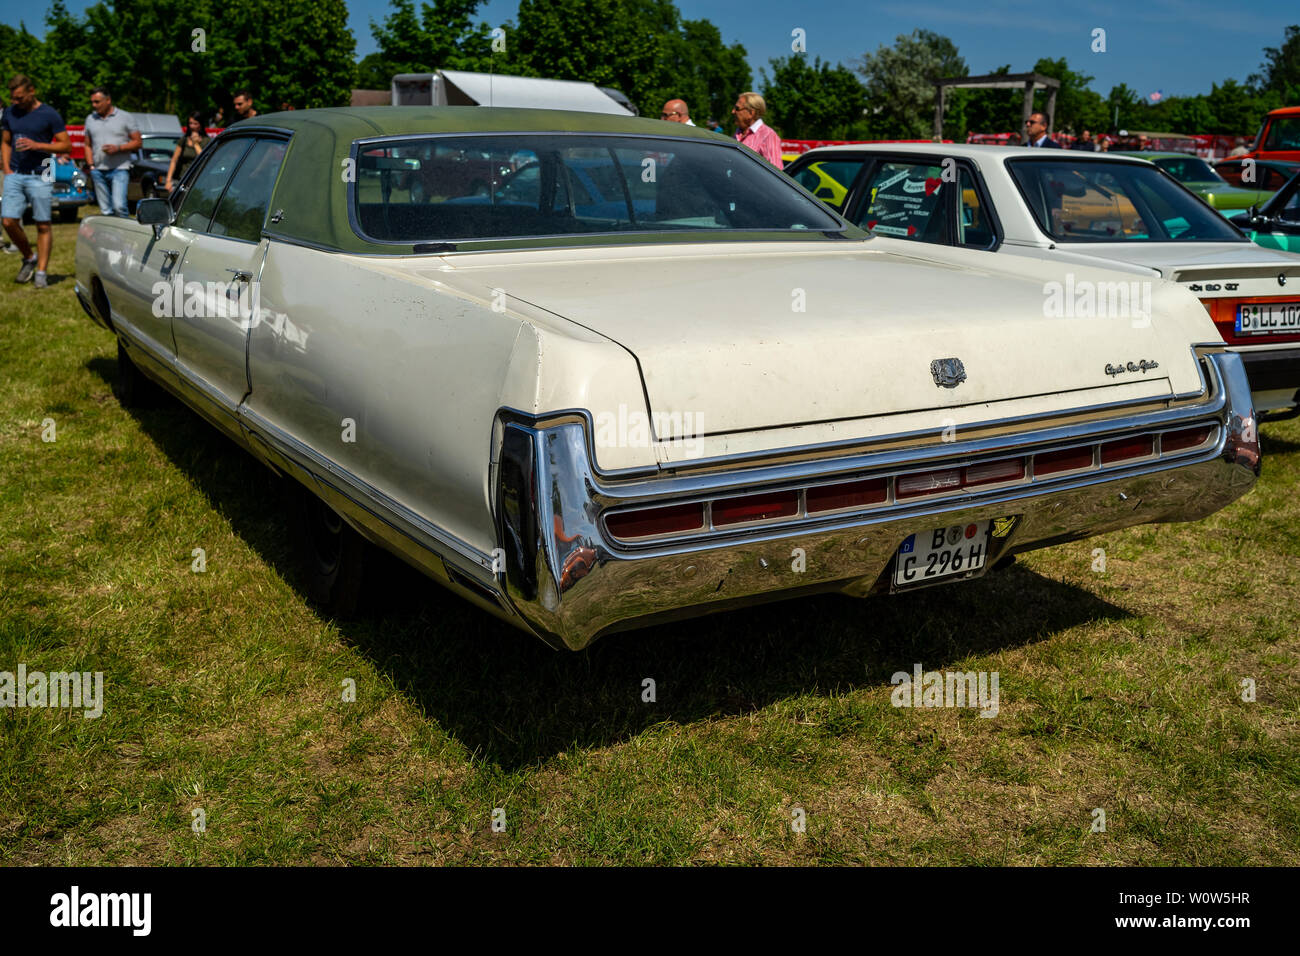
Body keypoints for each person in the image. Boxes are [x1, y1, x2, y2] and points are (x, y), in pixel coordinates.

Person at [1, 75, 71, 288]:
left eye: (19, 98)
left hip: (43, 171)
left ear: (32, 91)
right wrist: (6, 168)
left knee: (43, 223)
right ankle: (29, 257)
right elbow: (5, 141)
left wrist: (38, 146)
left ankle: (41, 273)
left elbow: (65, 145)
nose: (15, 102)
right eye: (13, 98)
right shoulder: (10, 113)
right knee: (8, 221)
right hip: (16, 172)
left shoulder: (49, 114)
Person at [84, 86, 141, 218]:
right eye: (92, 102)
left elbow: (138, 143)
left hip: (120, 168)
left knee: (119, 206)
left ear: (108, 100)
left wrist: (118, 148)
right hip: (98, 169)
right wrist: (91, 165)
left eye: (97, 102)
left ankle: (125, 236)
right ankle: (110, 237)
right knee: (106, 211)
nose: (94, 105)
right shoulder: (90, 119)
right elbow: (87, 144)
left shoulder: (125, 117)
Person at [732, 92, 782, 168]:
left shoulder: (768, 136)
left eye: (737, 108)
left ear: (751, 113)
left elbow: (775, 173)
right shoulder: (738, 133)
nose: (733, 112)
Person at [165, 112, 209, 193]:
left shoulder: (207, 140)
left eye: (195, 123)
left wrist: (195, 144)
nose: (192, 126)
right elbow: (174, 160)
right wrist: (168, 180)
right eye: (190, 123)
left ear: (201, 124)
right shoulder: (184, 140)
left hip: (197, 181)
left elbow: (204, 159)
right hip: (182, 180)